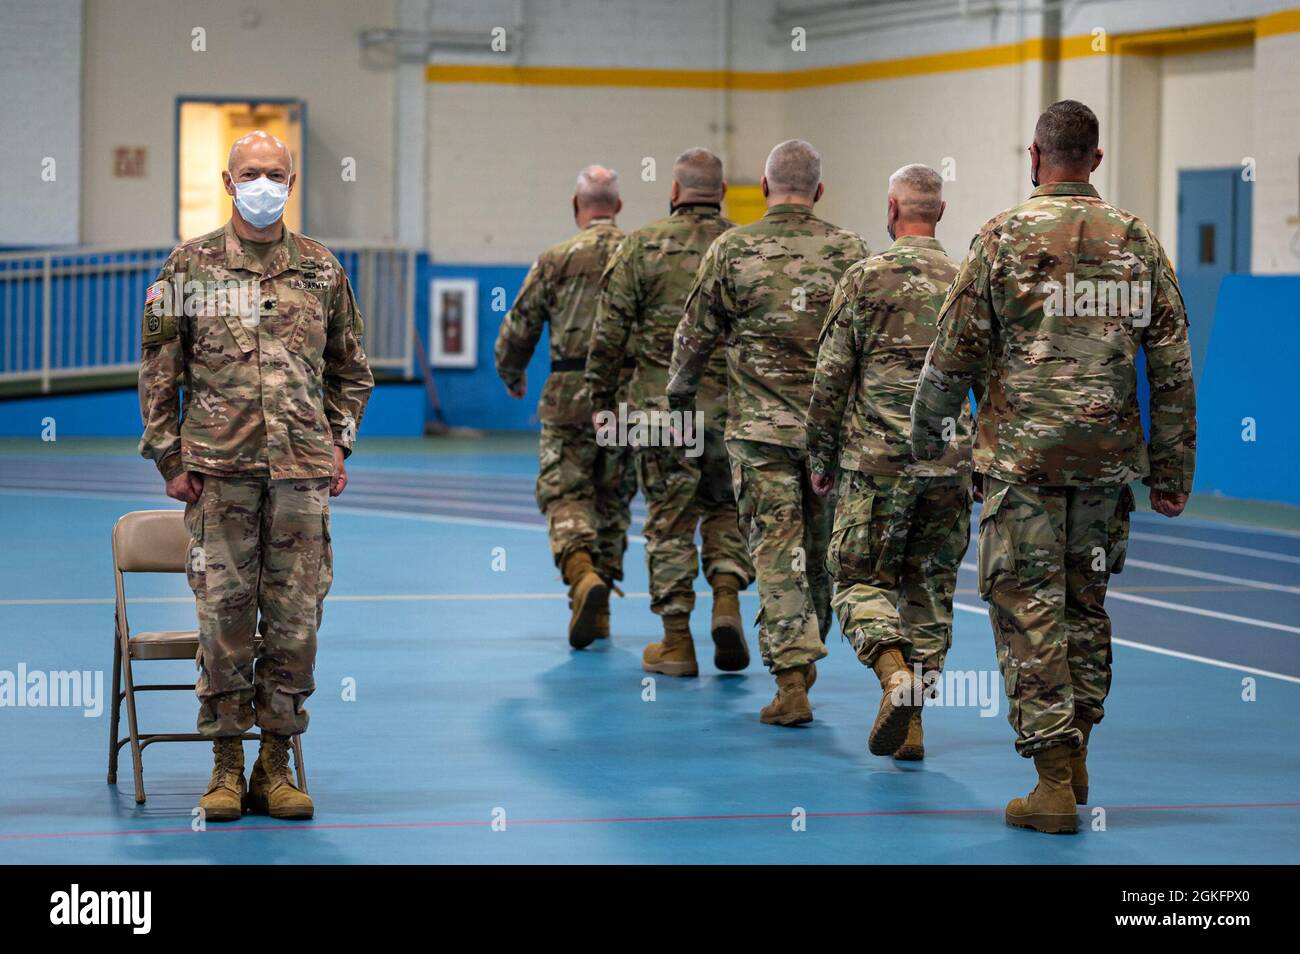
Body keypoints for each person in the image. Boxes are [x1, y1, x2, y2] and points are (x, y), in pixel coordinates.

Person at [911, 100, 1197, 833]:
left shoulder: (1002, 238)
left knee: (1025, 607)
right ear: (1094, 160)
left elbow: (952, 356)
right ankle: (1076, 755)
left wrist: (924, 439)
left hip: (1022, 463)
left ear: (1034, 158)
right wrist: (1172, 470)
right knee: (1084, 606)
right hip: (1105, 468)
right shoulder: (1139, 242)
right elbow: (1172, 368)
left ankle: (1050, 780)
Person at [139, 131, 374, 821]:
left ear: (292, 183)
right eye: (251, 172)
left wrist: (339, 446)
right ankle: (224, 764)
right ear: (227, 179)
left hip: (302, 475)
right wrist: (169, 457)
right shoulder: (187, 267)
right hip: (218, 473)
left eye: (275, 173)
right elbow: (159, 369)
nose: (263, 183)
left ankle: (277, 765)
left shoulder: (322, 270)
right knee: (223, 621)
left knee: (296, 624)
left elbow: (352, 371)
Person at [668, 139, 869, 724]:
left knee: (777, 554)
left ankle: (790, 680)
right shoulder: (851, 250)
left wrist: (680, 398)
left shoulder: (734, 250)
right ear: (819, 191)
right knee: (821, 554)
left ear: (761, 188)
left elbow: (694, 336)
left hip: (759, 436)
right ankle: (805, 666)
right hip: (832, 439)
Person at [806, 164, 972, 760]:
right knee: (930, 588)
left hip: (874, 464)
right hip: (949, 463)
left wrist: (820, 456)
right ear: (941, 212)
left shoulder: (863, 280)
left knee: (854, 578)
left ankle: (892, 673)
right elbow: (998, 380)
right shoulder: (968, 280)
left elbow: (830, 379)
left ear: (892, 208)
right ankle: (916, 724)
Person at [587, 148, 754, 677]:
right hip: (731, 412)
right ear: (723, 192)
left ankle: (677, 643)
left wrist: (600, 400)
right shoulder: (742, 247)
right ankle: (726, 600)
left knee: (668, 523)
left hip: (661, 414)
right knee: (726, 511)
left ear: (675, 192)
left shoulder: (640, 246)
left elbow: (608, 334)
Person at [494, 166, 636, 648]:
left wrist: (512, 374)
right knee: (612, 499)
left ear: (577, 206)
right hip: (628, 396)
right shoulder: (643, 254)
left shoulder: (555, 259)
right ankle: (601, 611)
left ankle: (581, 577)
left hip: (568, 393)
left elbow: (520, 326)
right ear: (617, 206)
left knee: (564, 494)